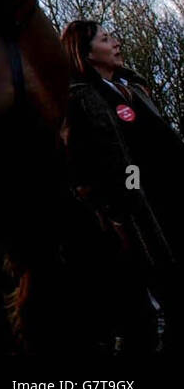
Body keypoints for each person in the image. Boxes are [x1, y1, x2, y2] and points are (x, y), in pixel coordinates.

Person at [62, 20, 183, 351]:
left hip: (167, 204)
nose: (116, 42)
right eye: (105, 39)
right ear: (85, 54)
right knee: (147, 314)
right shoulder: (79, 99)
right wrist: (109, 214)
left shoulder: (135, 90)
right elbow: (78, 169)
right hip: (131, 220)